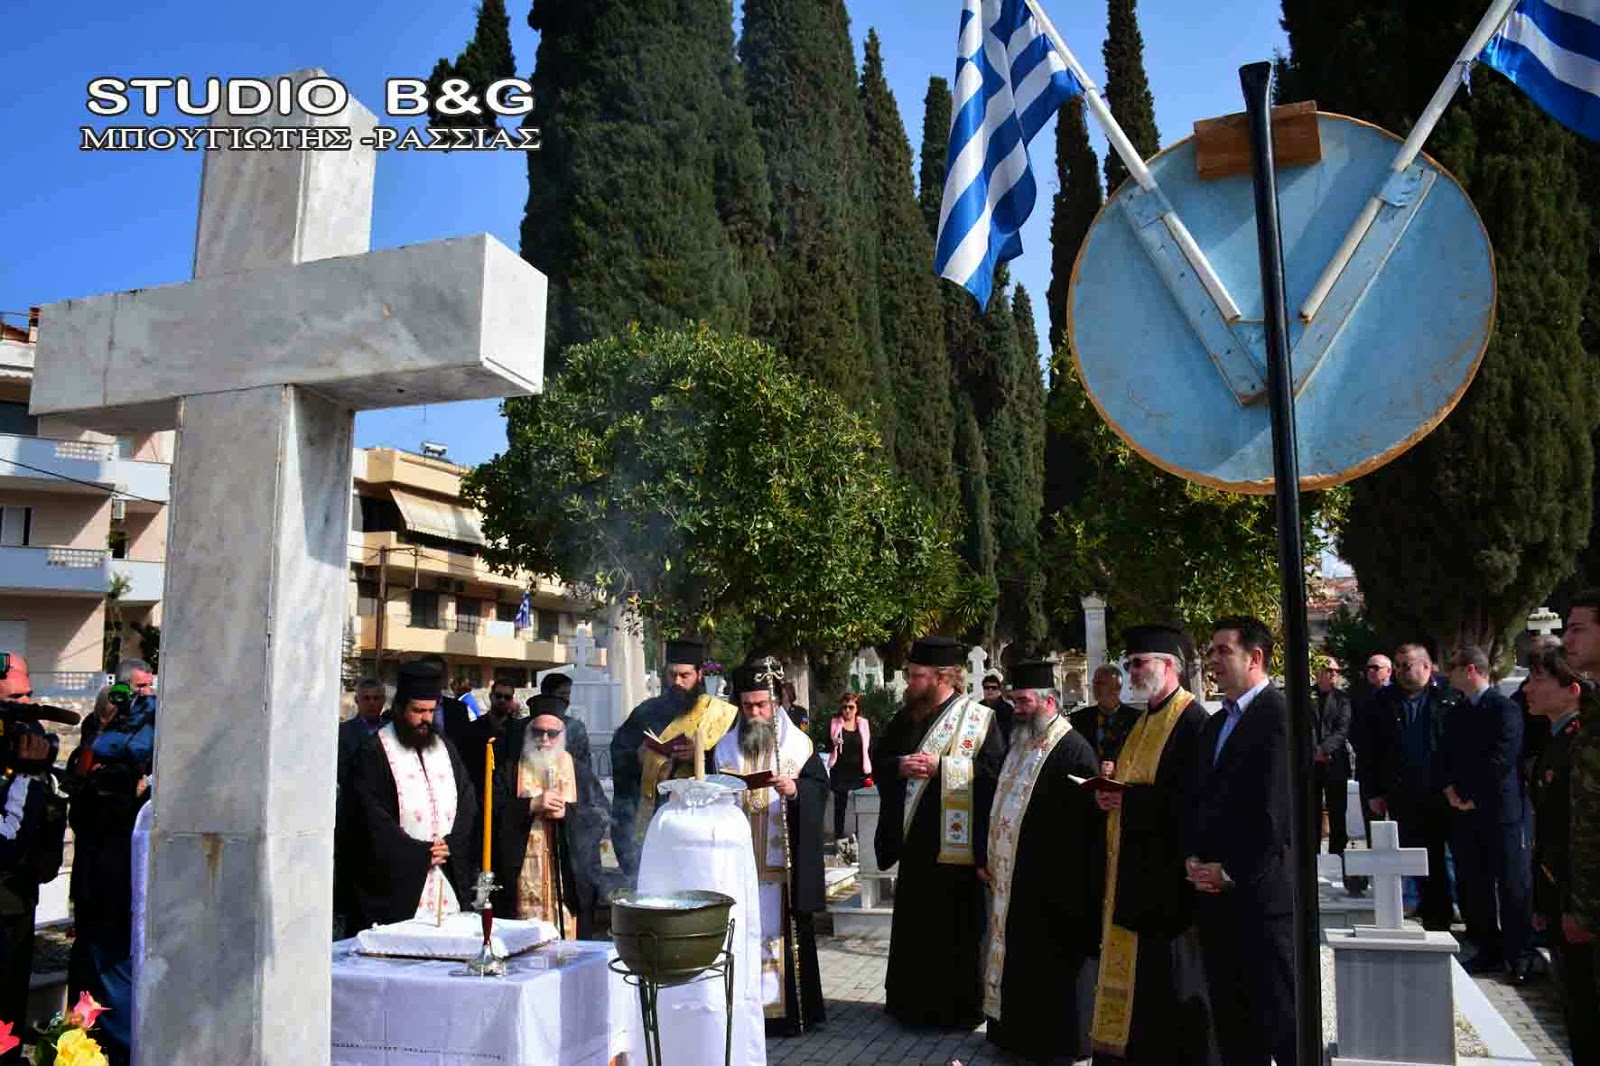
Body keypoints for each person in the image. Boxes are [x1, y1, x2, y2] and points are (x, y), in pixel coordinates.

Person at [1090, 624, 1215, 1064]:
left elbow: (1191, 801)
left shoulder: (1193, 721)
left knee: (1174, 979)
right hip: (1134, 871)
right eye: (1128, 664)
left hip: (1169, 880)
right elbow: (1133, 785)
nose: (1131, 672)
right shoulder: (1143, 720)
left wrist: (1127, 798)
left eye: (1139, 663)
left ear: (1168, 666)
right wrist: (1111, 794)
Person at [875, 635, 1006, 1030]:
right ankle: (908, 1004)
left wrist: (944, 768)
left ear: (942, 677)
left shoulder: (981, 720)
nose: (909, 683)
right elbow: (879, 760)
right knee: (917, 929)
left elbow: (994, 774)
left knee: (956, 932)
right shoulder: (905, 718)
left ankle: (958, 1009)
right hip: (917, 846)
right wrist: (900, 766)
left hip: (959, 851)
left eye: (916, 676)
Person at [980, 660, 1101, 1063]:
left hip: (1054, 884)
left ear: (1049, 701)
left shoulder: (1073, 749)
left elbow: (1085, 826)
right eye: (1015, 700)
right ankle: (1013, 1033)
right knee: (1019, 959)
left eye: (1025, 701)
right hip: (1016, 878)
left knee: (1051, 968)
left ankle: (1055, 1042)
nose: (1018, 707)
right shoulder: (1020, 744)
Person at [1188, 617, 1294, 1066]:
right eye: (1210, 651)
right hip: (1216, 901)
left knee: (1282, 1022)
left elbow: (1276, 812)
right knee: (1233, 1025)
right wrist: (1194, 859)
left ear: (1255, 657)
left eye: (1222, 651)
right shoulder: (1216, 725)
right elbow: (1202, 799)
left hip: (1261, 898)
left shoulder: (1278, 715)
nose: (1213, 660)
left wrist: (1229, 870)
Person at [714, 658, 828, 1036]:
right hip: (741, 865)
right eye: (748, 707)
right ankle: (745, 1011)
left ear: (776, 703)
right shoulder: (724, 749)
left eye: (761, 705)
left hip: (783, 869)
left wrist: (795, 790)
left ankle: (789, 1013)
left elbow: (818, 791)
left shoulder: (799, 745)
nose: (755, 713)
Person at [344, 660, 478, 931]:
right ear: (400, 708)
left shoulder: (445, 748)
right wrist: (418, 854)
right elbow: (369, 817)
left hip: (445, 876)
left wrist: (450, 844)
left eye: (431, 710)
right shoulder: (375, 751)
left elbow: (468, 801)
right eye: (418, 711)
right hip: (398, 887)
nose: (425, 719)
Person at [66, 658, 155, 1066]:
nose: (139, 699)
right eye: (133, 691)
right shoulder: (92, 753)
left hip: (124, 893)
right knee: (93, 982)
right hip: (99, 891)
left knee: (117, 983)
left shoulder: (148, 751)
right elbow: (85, 817)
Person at [609, 639, 736, 882]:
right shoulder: (646, 712)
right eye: (672, 675)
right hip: (658, 818)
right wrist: (639, 756)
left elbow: (734, 762)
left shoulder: (721, 716)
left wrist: (702, 756)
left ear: (699, 675)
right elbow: (620, 751)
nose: (677, 682)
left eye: (684, 675)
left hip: (702, 822)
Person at [1521, 645, 1596, 1059]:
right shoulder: (1554, 741)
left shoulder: (1577, 743)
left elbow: (1573, 833)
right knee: (1573, 1007)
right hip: (1557, 894)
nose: (1529, 689)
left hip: (1578, 899)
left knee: (1584, 1009)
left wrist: (1569, 904)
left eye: (1538, 680)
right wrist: (1542, 899)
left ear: (1571, 689)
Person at [1440, 646, 1532, 978]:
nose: (1448, 676)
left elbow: (1503, 757)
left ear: (1470, 670)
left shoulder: (1503, 709)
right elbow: (1445, 755)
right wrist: (1451, 790)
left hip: (1499, 811)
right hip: (1465, 811)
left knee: (1510, 884)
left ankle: (1518, 954)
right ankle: (1487, 948)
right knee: (1475, 884)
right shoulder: (1457, 712)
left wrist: (1473, 796)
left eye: (1453, 669)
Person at [0, 655, 67, 1065]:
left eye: (29, 693)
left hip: (21, 895)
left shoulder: (31, 740)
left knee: (12, 991)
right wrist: (24, 776)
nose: (27, 704)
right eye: (14, 697)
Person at [1366, 643, 1460, 930]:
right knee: (1414, 853)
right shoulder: (1383, 701)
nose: (1400, 672)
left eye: (1406, 665)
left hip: (1445, 791)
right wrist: (1374, 792)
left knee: (1449, 855)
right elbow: (1371, 750)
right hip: (1403, 790)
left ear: (1426, 666)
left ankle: (1453, 911)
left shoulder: (1447, 696)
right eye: (1397, 665)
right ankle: (1430, 911)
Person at [487, 708, 579, 936]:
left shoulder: (577, 769)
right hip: (521, 878)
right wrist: (530, 806)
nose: (545, 739)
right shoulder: (509, 769)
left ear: (562, 735)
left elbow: (597, 815)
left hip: (564, 881)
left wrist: (568, 814)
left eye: (552, 733)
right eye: (538, 732)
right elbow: (492, 810)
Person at [335, 678, 388, 937]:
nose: (371, 703)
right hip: (355, 820)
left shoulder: (392, 731)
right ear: (357, 701)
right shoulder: (344, 733)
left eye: (376, 698)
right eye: (366, 698)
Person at [1312, 658, 1353, 877]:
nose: (1333, 674)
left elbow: (1342, 727)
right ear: (1318, 672)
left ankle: (1338, 861)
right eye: (1329, 670)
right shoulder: (1306, 695)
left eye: (1337, 671)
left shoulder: (1343, 699)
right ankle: (1311, 862)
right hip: (1309, 765)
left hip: (1335, 762)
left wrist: (1325, 749)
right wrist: (1313, 751)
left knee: (1338, 814)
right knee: (1310, 815)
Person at [827, 693, 872, 842]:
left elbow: (869, 747)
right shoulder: (835, 723)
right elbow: (826, 745)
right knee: (840, 805)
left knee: (863, 802)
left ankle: (862, 836)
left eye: (851, 707)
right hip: (840, 770)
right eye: (844, 707)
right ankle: (838, 837)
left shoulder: (863, 724)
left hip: (860, 770)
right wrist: (833, 742)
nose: (847, 711)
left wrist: (871, 770)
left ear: (857, 708)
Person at [980, 669, 1016, 743]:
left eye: (994, 688)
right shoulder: (978, 707)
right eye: (986, 687)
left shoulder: (1007, 709)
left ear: (999, 690)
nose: (990, 690)